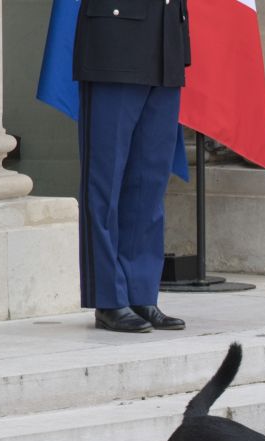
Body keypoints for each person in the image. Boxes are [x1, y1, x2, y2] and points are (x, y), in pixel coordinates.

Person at [73, 0, 190, 332]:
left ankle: (141, 293)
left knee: (148, 183)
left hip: (165, 40)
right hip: (114, 42)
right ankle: (108, 299)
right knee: (105, 182)